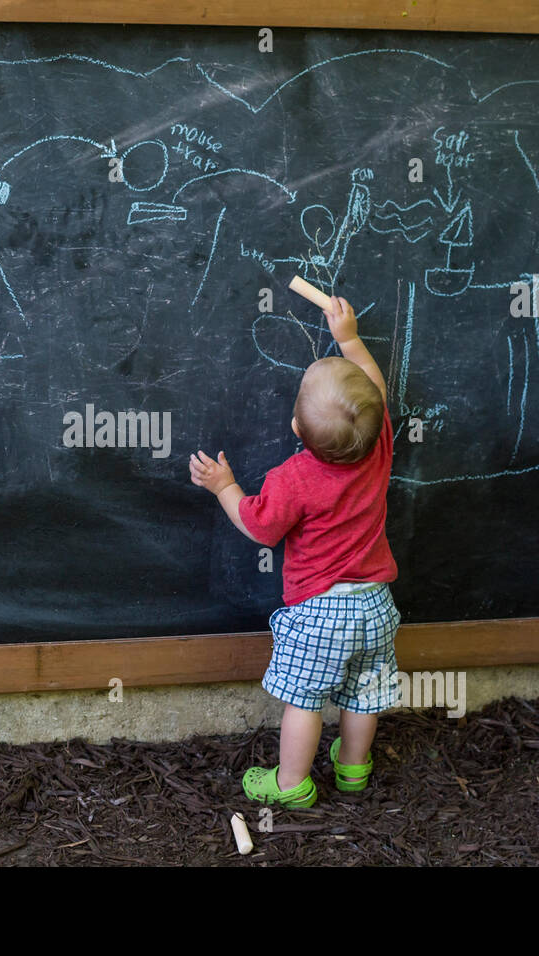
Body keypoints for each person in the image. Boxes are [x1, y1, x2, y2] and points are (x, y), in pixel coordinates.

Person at [189, 295, 400, 805]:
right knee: (364, 693)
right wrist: (348, 339)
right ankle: (352, 769)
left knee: (304, 701)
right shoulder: (379, 447)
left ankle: (291, 785)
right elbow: (374, 386)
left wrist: (224, 488)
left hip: (320, 611)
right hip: (375, 606)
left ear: (296, 429)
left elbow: (259, 526)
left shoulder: (295, 478)